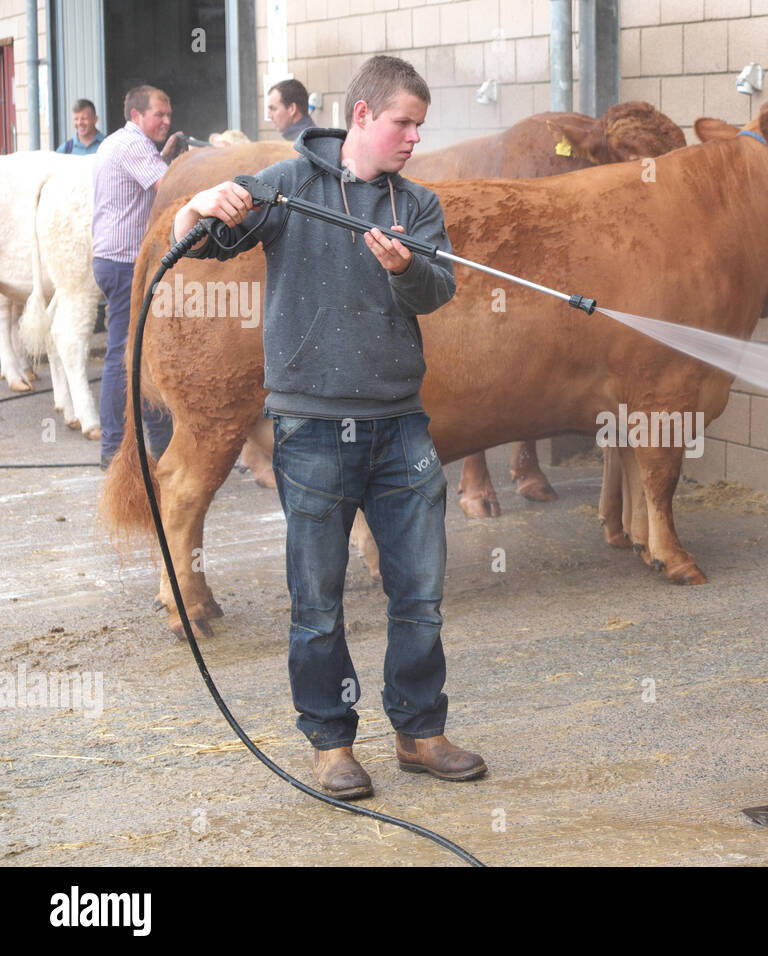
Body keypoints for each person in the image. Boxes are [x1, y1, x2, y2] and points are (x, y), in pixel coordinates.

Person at [173, 55, 483, 800]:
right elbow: (205, 240)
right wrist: (198, 207)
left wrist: (407, 268)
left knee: (420, 593)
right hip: (311, 429)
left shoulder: (418, 205)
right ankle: (332, 742)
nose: (413, 137)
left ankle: (419, 729)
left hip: (401, 428)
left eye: (420, 126)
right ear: (365, 116)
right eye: (403, 122)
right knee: (317, 600)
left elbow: (436, 290)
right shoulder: (287, 187)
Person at [92, 85, 188, 469]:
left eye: (168, 114)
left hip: (115, 260)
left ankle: (156, 445)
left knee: (137, 351)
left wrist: (166, 156)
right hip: (124, 264)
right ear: (136, 116)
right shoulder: (133, 146)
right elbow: (171, 187)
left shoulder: (124, 143)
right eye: (158, 115)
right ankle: (115, 449)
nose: (166, 121)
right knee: (123, 354)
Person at [267, 78, 315, 142]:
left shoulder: (302, 145)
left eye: (273, 109)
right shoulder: (310, 138)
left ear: (292, 109)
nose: (269, 116)